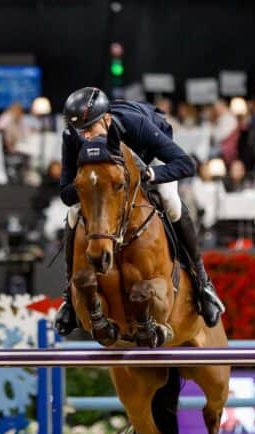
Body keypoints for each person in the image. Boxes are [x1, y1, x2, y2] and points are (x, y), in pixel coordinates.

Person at [54, 87, 225, 336]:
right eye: (82, 132)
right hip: (105, 181)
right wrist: (85, 187)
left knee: (171, 201)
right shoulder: (73, 137)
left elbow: (185, 164)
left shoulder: (136, 126)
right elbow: (66, 193)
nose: (87, 137)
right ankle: (69, 298)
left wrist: (150, 174)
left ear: (107, 120)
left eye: (90, 129)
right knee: (72, 214)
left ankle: (203, 284)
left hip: (149, 163)